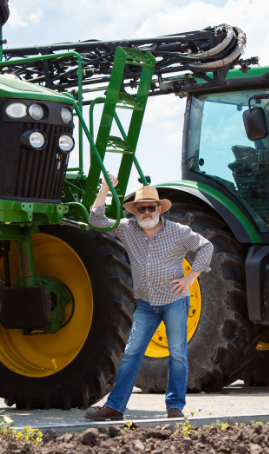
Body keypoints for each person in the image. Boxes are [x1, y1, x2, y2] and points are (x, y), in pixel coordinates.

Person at [85, 173, 213, 421]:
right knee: (132, 353)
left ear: (159, 209)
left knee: (177, 354)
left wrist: (191, 277)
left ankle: (174, 407)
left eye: (150, 207)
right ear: (135, 210)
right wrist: (104, 188)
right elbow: (95, 220)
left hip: (175, 302)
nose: (146, 212)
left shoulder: (178, 231)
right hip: (145, 304)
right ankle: (114, 407)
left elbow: (206, 246)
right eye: (141, 208)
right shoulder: (127, 228)